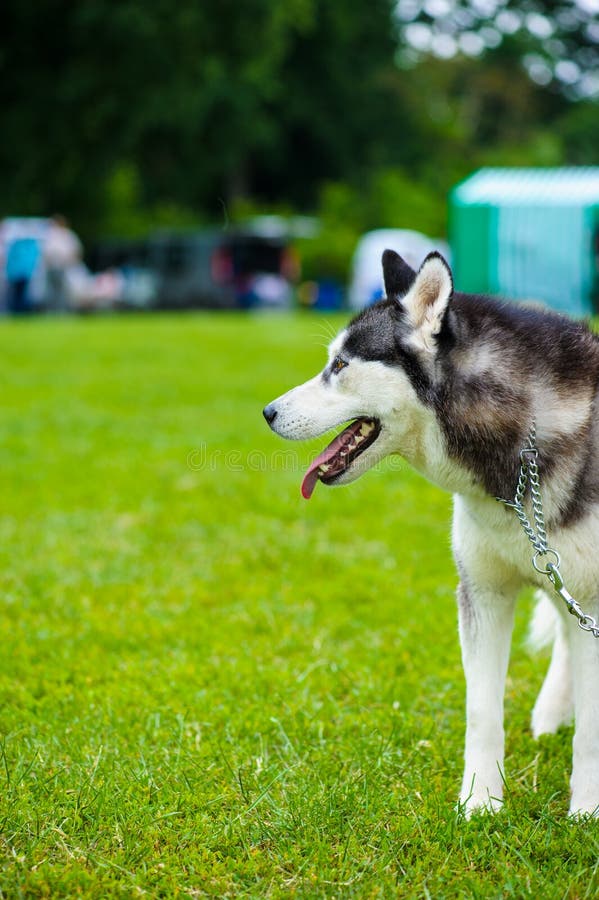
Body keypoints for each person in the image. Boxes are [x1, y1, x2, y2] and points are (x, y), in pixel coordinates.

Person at [44, 215, 83, 310]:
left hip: (64, 267)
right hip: (51, 267)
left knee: (63, 290)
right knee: (51, 291)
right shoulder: (49, 236)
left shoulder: (68, 235)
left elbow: (76, 252)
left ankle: (62, 310)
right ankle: (51, 310)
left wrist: (69, 263)